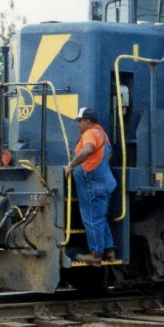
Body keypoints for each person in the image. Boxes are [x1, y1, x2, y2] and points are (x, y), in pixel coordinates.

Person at [63, 108, 117, 264]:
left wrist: (72, 164)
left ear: (87, 121)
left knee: (92, 218)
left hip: (92, 184)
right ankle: (109, 250)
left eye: (79, 121)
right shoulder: (102, 134)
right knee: (101, 218)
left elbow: (87, 150)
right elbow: (109, 155)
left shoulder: (90, 133)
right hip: (104, 183)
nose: (78, 125)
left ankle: (95, 254)